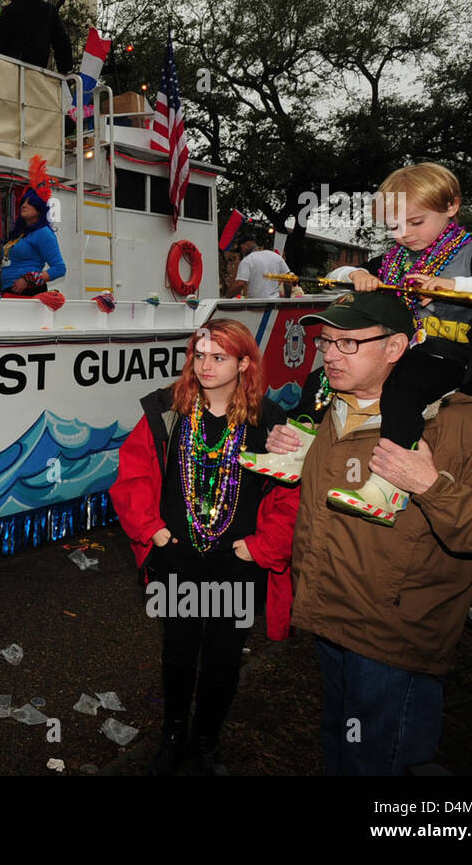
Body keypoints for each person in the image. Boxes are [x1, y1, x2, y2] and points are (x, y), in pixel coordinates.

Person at [277, 291, 472, 775]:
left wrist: (433, 487)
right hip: (326, 619)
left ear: (396, 346)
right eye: (326, 342)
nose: (330, 354)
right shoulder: (334, 409)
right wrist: (300, 452)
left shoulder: (461, 425)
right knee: (342, 749)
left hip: (392, 642)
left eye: (348, 343)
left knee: (380, 763)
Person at [242, 162, 472, 523]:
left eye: (416, 222)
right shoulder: (395, 260)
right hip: (395, 351)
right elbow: (335, 276)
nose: (405, 234)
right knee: (324, 373)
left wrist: (455, 287)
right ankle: (296, 449)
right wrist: (356, 273)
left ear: (451, 207)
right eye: (395, 226)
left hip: (443, 357)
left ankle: (388, 483)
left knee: (401, 390)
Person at [111, 319, 299, 775]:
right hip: (176, 559)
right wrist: (154, 532)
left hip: (236, 566)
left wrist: (258, 548)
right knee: (177, 651)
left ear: (244, 363)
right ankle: (173, 736)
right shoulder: (166, 410)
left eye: (219, 357)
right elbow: (133, 474)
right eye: (200, 355)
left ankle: (206, 740)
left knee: (223, 658)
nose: (206, 365)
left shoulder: (270, 421)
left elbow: (289, 497)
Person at [0, 157, 65, 295]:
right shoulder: (22, 233)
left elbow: (60, 268)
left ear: (39, 208)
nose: (24, 205)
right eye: (23, 202)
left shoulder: (43, 233)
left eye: (29, 203)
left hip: (28, 291)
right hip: (11, 291)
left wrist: (29, 280)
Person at [0, 0, 73, 72]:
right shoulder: (48, 10)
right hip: (37, 74)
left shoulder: (10, 10)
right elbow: (61, 42)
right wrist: (64, 70)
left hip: (10, 72)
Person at [227, 232, 288, 298]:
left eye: (241, 248)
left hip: (256, 304)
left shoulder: (247, 261)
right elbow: (288, 279)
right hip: (275, 304)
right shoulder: (275, 256)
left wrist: (227, 298)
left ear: (246, 244)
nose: (242, 251)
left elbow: (240, 284)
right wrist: (287, 298)